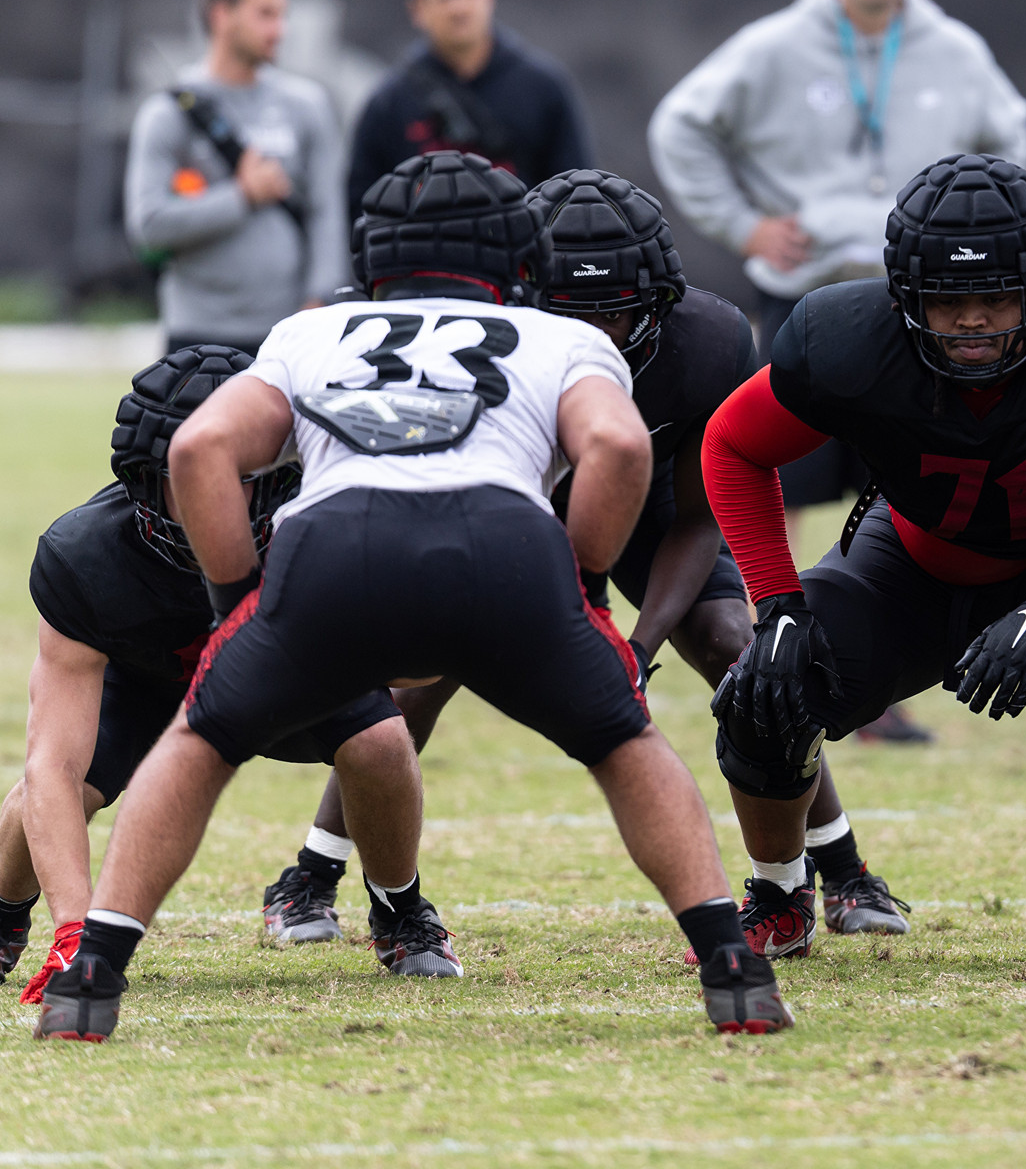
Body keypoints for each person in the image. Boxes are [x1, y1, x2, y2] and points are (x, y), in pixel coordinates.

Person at [32, 152, 791, 1043]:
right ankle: (727, 963)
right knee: (625, 745)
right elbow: (620, 450)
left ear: (373, 257)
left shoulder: (313, 333)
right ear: (520, 262)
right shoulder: (564, 340)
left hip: (335, 555)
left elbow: (200, 451)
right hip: (503, 553)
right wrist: (583, 587)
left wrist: (238, 600)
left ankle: (94, 973)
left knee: (200, 743)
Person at [255, 169, 908, 948]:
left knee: (741, 644)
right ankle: (313, 874)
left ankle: (840, 867)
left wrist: (632, 646)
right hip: (499, 496)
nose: (596, 338)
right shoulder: (482, 330)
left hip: (650, 502)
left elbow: (700, 523)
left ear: (662, 300)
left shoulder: (709, 340)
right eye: (575, 315)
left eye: (616, 316)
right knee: (424, 667)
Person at [701, 154, 1026, 970]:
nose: (973, 321)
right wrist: (778, 604)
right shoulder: (844, 343)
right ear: (904, 297)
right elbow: (733, 444)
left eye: (996, 298)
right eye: (948, 302)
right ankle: (779, 894)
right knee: (765, 690)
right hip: (912, 558)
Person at [650, 0, 1026, 744]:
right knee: (776, 474)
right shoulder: (776, 46)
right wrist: (744, 223)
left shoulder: (952, 49)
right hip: (814, 295)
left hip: (921, 301)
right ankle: (773, 644)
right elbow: (682, 124)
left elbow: (1013, 137)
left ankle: (869, 676)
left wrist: (978, 236)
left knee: (902, 481)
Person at [0, 347, 432, 1010]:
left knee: (378, 741)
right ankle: (6, 916)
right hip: (151, 686)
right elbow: (52, 765)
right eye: (190, 473)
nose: (213, 491)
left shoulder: (319, 526)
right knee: (41, 795)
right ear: (144, 479)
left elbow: (417, 665)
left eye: (236, 473)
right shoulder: (83, 556)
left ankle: (399, 907)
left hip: (286, 671)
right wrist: (74, 931)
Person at [125, 0, 347, 354]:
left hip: (289, 332)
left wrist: (320, 300)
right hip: (195, 332)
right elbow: (149, 225)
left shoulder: (307, 105)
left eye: (282, 15)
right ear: (222, 15)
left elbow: (327, 211)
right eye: (265, 14)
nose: (280, 30)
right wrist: (242, 196)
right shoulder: (169, 113)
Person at [346, 0, 593, 216]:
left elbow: (574, 192)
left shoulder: (544, 87)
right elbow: (363, 203)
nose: (459, 8)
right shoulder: (390, 101)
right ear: (417, 9)